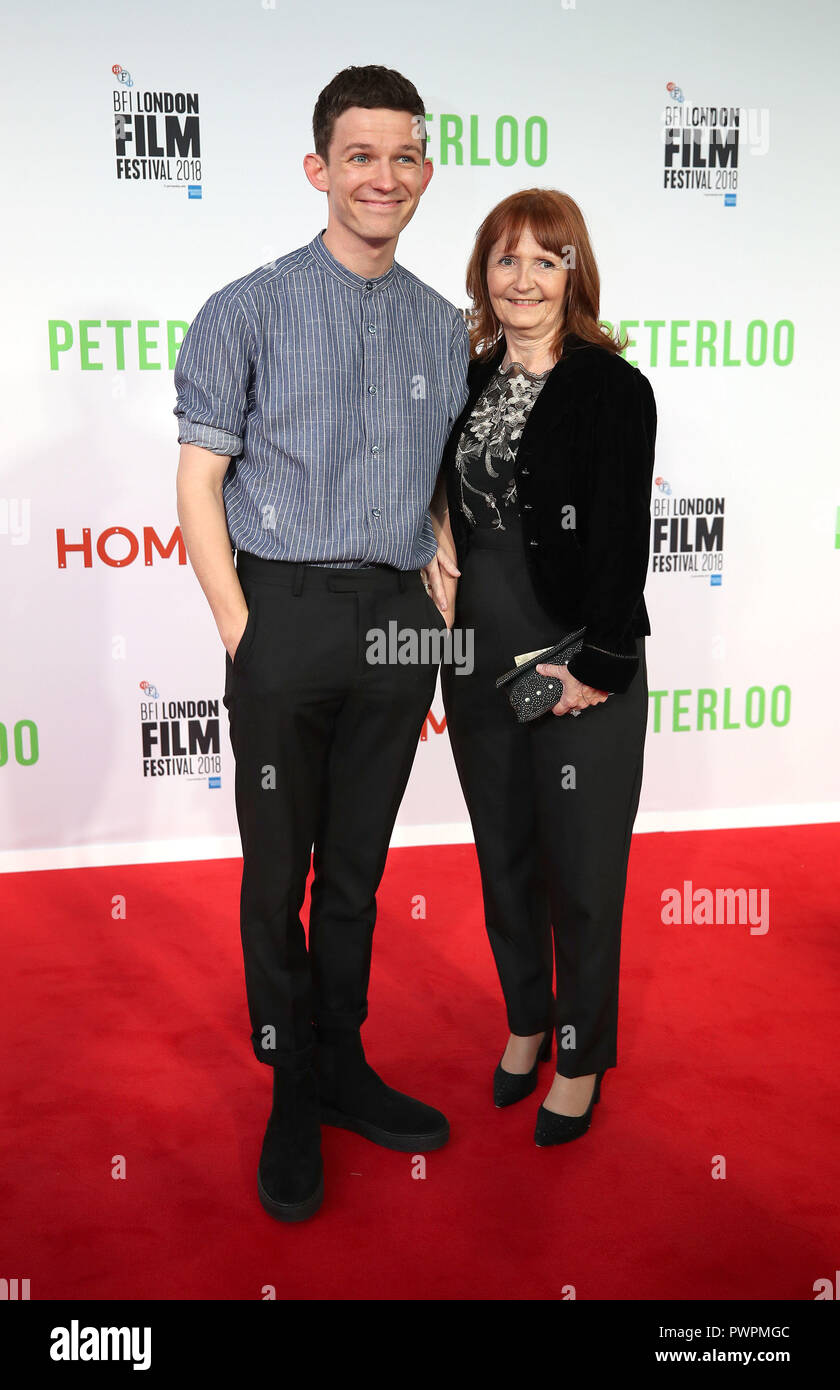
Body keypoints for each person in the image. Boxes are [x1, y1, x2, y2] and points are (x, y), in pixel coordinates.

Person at [173, 65, 468, 1221]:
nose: (382, 175)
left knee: (357, 870)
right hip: (282, 615)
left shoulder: (446, 326)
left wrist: (435, 594)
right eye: (359, 155)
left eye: (403, 155)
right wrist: (247, 630)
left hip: (397, 620)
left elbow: (440, 484)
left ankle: (342, 1063)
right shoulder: (244, 306)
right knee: (276, 871)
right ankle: (289, 1085)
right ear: (319, 169)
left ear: (424, 173)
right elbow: (200, 483)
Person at [437, 188, 657, 1146]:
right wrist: (435, 547)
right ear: (484, 275)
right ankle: (525, 1021)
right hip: (477, 650)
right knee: (505, 861)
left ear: (575, 272)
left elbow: (620, 538)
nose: (522, 278)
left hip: (576, 657)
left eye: (545, 258)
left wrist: (600, 664)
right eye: (505, 259)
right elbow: (449, 498)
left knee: (581, 873)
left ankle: (579, 1054)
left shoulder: (612, 387)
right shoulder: (470, 376)